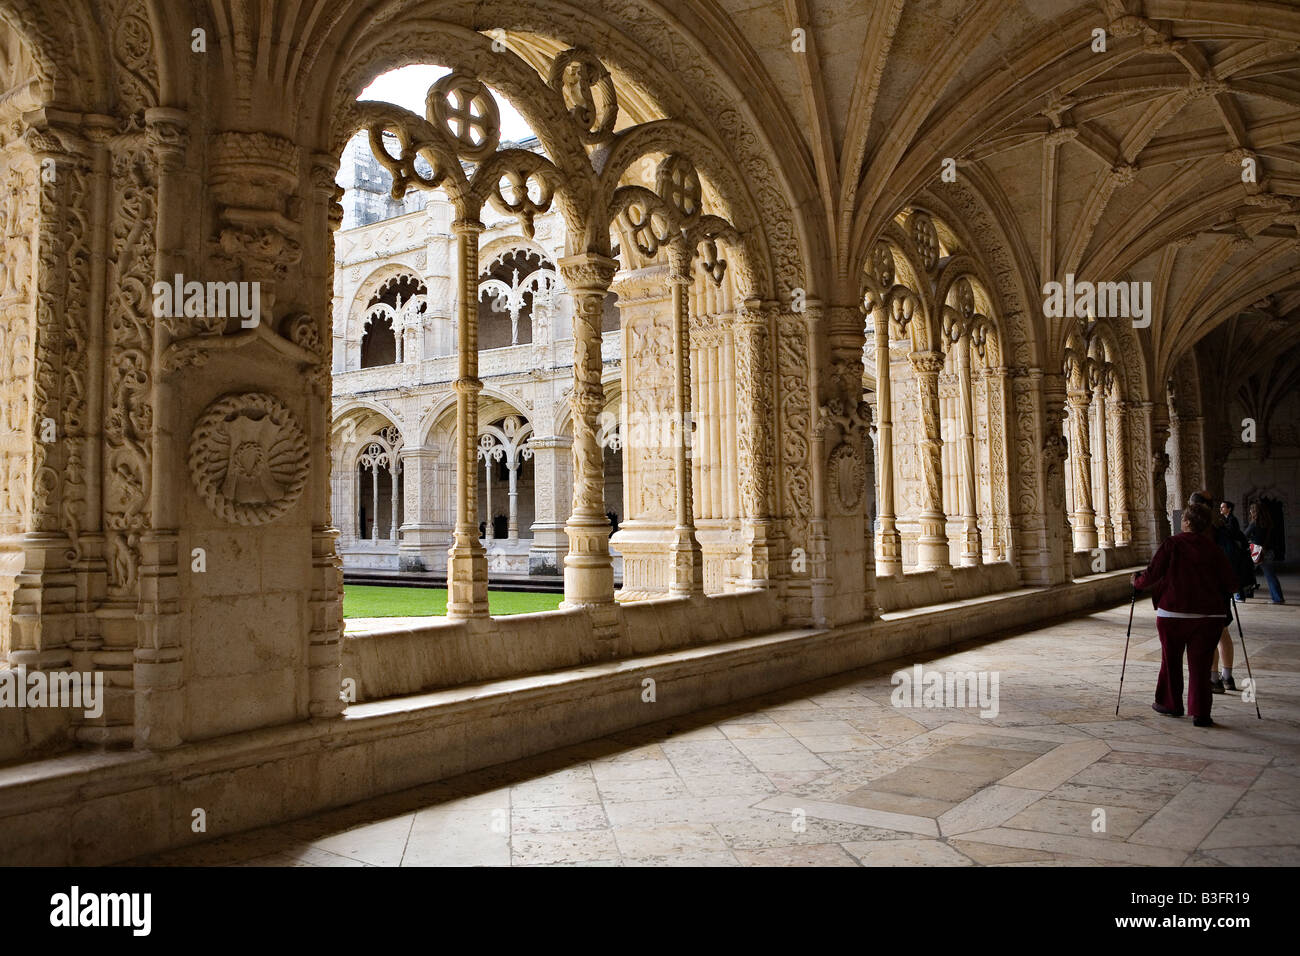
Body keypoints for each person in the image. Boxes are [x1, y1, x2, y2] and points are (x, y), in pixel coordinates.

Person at [1132, 502, 1238, 727]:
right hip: (1208, 617)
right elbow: (1231, 583)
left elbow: (1152, 574)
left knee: (1171, 661)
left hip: (1173, 614)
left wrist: (1136, 582)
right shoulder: (1214, 549)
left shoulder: (1172, 544)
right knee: (1201, 665)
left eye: (1184, 519)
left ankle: (1171, 704)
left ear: (1187, 522)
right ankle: (1200, 712)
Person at [1189, 491, 1246, 693]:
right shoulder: (1220, 529)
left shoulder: (1200, 534)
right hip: (1221, 589)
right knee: (1222, 631)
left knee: (1208, 634)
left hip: (1205, 590)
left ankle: (1214, 679)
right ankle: (1228, 677)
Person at [1245, 501, 1286, 604]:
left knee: (1245, 572)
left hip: (1258, 552)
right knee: (1271, 576)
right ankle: (1278, 598)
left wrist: (1251, 541)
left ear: (1255, 511)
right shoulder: (1269, 523)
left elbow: (1245, 535)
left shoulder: (1254, 523)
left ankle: (1242, 594)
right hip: (1269, 552)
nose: (1250, 512)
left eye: (1251, 510)